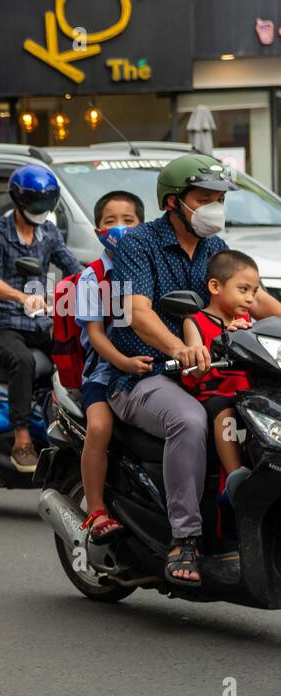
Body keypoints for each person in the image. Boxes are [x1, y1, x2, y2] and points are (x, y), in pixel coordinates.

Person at [108, 153, 281, 585]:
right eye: (205, 198)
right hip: (145, 373)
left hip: (214, 373)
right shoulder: (138, 244)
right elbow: (138, 311)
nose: (215, 208)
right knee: (189, 420)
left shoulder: (216, 249)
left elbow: (255, 300)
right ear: (173, 202)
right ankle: (185, 539)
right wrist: (180, 349)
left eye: (219, 198)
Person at [0, 163, 83, 472]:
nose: (41, 208)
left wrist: (98, 282)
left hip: (40, 323)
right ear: (18, 200)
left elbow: (73, 267)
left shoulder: (49, 232)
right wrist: (24, 298)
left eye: (47, 202)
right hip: (1, 324)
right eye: (36, 201)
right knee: (23, 362)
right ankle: (21, 441)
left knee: (75, 350)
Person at [74, 190, 149, 542]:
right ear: (97, 230)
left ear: (143, 226)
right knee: (100, 428)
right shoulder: (92, 278)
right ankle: (96, 508)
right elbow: (96, 334)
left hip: (151, 368)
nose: (119, 228)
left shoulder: (149, 268)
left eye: (128, 221)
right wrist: (124, 362)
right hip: (104, 373)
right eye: (110, 222)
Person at [180, 249, 260, 492]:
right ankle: (235, 477)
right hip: (213, 394)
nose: (249, 299)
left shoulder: (246, 321)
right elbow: (195, 366)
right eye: (243, 289)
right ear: (215, 287)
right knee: (225, 412)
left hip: (244, 392)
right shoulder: (194, 320)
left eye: (254, 292)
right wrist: (226, 339)